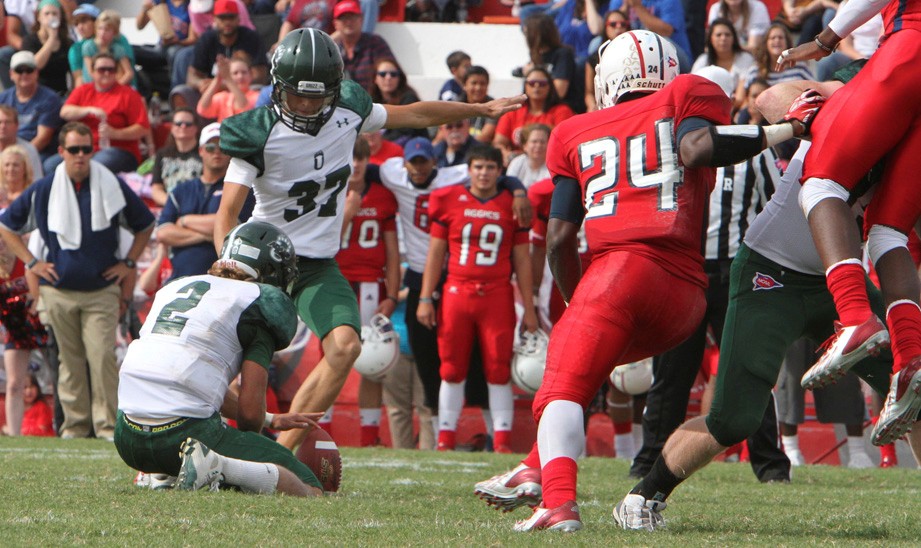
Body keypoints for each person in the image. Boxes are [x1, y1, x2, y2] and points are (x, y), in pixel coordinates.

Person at [472, 30, 809, 532]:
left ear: (606, 79)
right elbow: (696, 150)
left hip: (621, 272)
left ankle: (558, 502)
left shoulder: (574, 130)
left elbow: (560, 235)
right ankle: (534, 465)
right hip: (684, 296)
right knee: (586, 369)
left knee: (564, 380)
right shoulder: (686, 94)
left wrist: (577, 298)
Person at [213, 28, 529, 452]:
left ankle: (278, 453)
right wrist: (228, 265)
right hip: (265, 263)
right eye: (297, 96)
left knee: (346, 346)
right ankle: (213, 442)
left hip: (316, 264)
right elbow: (228, 214)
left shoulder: (348, 106)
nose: (306, 105)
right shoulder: (255, 130)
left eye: (316, 96)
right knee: (239, 366)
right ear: (276, 86)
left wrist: (478, 109)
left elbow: (415, 114)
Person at [629, 64, 790, 484]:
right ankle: (649, 460)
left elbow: (779, 202)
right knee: (672, 372)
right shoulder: (669, 143)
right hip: (686, 267)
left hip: (735, 270)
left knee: (747, 367)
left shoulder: (750, 144)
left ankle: (770, 465)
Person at [776, 0, 921, 446]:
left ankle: (856, 315)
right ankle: (910, 358)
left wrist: (827, 36)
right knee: (888, 231)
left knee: (820, 184)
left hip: (912, 46)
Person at [115, 221, 324, 496]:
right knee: (312, 488)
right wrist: (255, 432)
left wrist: (271, 420)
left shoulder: (176, 288)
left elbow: (190, 381)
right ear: (271, 272)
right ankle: (218, 465)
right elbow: (249, 417)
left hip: (127, 437)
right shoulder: (257, 303)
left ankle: (161, 474)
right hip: (183, 433)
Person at [0, 122, 156, 440]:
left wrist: (128, 263)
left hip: (101, 290)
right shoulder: (45, 188)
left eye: (87, 149)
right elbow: (6, 225)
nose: (81, 156)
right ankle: (74, 427)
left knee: (101, 357)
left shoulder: (110, 184)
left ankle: (108, 426)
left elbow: (146, 224)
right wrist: (31, 262)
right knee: (69, 364)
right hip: (58, 291)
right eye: (74, 150)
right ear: (61, 152)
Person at [417, 144, 538, 453]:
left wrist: (529, 305)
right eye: (478, 167)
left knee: (498, 368)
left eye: (490, 167)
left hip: (496, 293)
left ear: (500, 171)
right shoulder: (448, 200)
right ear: (469, 170)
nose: (484, 173)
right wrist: (425, 297)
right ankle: (445, 438)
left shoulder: (513, 203)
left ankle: (501, 441)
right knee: (451, 368)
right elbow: (435, 254)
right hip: (457, 291)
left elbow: (522, 260)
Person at [336, 136, 400, 446]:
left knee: (372, 361)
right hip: (336, 280)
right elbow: (322, 241)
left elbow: (392, 249)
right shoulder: (329, 193)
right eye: (352, 157)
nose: (357, 164)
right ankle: (322, 431)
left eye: (361, 158)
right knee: (331, 358)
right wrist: (348, 211)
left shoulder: (384, 196)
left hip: (372, 284)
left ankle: (369, 435)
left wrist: (392, 293)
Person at [157, 122, 255, 280]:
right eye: (210, 147)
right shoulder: (181, 190)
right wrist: (207, 236)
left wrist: (184, 220)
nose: (216, 152)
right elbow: (163, 233)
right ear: (201, 151)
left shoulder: (241, 189)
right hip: (180, 279)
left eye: (222, 148)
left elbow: (231, 225)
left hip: (222, 279)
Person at [0, 145, 45, 437]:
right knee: (14, 378)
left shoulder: (32, 201)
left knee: (23, 375)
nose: (11, 171)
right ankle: (13, 432)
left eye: (16, 166)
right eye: (6, 166)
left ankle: (20, 433)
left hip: (23, 290)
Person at [57, 53, 151, 175]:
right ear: (92, 72)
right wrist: (88, 110)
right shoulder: (83, 91)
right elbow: (64, 112)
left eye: (111, 70)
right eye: (102, 70)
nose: (106, 73)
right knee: (51, 165)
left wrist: (114, 133)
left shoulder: (128, 95)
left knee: (94, 166)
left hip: (119, 151)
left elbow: (143, 128)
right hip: (83, 149)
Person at [171, 0, 268, 111]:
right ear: (214, 19)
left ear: (238, 19)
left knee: (259, 90)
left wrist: (222, 85)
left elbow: (260, 77)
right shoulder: (207, 39)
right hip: (213, 96)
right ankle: (187, 124)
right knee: (182, 91)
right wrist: (200, 83)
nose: (227, 22)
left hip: (244, 95)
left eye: (231, 17)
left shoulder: (251, 38)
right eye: (222, 18)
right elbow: (191, 77)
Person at [493, 66, 573, 165]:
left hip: (550, 164)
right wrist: (505, 154)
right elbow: (498, 143)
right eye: (531, 83)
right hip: (515, 163)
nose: (536, 86)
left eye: (542, 83)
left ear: (549, 86)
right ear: (525, 86)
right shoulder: (513, 110)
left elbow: (565, 145)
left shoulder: (562, 111)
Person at [0, 50, 63, 161]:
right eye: (19, 70)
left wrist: (18, 157)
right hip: (6, 150)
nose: (24, 74)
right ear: (11, 74)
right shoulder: (3, 98)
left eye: (29, 70)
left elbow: (43, 139)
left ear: (36, 73)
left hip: (38, 152)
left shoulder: (49, 99)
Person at [521, 14, 583, 114]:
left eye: (527, 33)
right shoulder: (535, 55)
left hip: (563, 108)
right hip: (541, 109)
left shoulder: (563, 54)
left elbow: (559, 92)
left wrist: (533, 74)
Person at [331, 0, 396, 93]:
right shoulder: (332, 51)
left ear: (361, 19)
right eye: (344, 18)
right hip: (343, 104)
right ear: (335, 24)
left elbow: (392, 73)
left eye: (353, 17)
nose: (349, 22)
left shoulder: (376, 43)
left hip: (374, 102)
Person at [690, 18, 755, 105]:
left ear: (734, 38)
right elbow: (691, 88)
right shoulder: (703, 60)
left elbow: (740, 98)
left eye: (727, 35)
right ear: (711, 39)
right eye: (718, 35)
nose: (723, 38)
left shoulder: (745, 58)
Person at [149, 108, 202, 207]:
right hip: (168, 206)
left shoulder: (204, 154)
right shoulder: (162, 154)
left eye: (188, 124)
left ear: (196, 128)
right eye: (178, 123)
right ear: (172, 128)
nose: (183, 126)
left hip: (195, 207)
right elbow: (156, 189)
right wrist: (172, 204)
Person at [370, 58, 427, 146]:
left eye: (393, 74)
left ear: (399, 78)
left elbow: (404, 133)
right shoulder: (371, 101)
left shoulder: (409, 98)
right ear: (375, 78)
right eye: (382, 74)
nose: (388, 78)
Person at [20, 0, 72, 96]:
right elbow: (34, 65)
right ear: (39, 17)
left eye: (54, 13)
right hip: (37, 95)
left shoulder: (67, 43)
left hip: (60, 94)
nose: (51, 17)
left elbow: (74, 72)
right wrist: (51, 38)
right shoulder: (30, 40)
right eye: (46, 14)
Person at [584, 10, 632, 112]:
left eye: (623, 24)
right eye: (613, 24)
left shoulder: (635, 54)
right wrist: (593, 106)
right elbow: (589, 93)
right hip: (603, 107)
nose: (618, 27)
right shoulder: (594, 58)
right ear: (605, 28)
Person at [196, 53, 260, 122]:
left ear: (251, 75)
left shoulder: (257, 95)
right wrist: (218, 79)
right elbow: (202, 109)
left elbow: (245, 108)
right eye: (235, 73)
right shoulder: (223, 97)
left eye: (244, 72)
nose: (240, 76)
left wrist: (228, 78)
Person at [81, 10, 136, 88]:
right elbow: (91, 73)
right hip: (94, 86)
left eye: (107, 30)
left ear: (114, 32)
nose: (102, 33)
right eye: (100, 28)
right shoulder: (88, 46)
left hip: (114, 86)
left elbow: (129, 73)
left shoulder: (118, 49)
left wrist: (117, 86)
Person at [707, 0, 772, 51]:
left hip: (753, 59)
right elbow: (713, 45)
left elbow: (753, 47)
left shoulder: (758, 8)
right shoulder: (716, 9)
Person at [0, 106, 44, 179]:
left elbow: (36, 180)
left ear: (17, 125)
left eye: (7, 122)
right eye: (0, 122)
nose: (3, 126)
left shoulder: (28, 150)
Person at [458, 65, 497, 144]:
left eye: (482, 84)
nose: (478, 88)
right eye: (474, 83)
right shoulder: (456, 105)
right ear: (464, 85)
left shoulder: (493, 106)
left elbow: (485, 136)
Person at [505, 123, 550, 188]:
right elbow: (509, 187)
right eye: (534, 142)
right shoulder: (517, 163)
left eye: (542, 142)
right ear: (525, 145)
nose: (538, 146)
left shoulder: (553, 166)